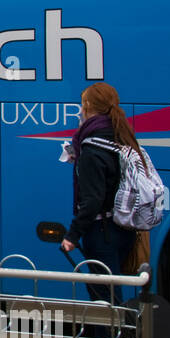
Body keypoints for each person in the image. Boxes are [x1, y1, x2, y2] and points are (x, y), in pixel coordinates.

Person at [60, 82, 143, 305]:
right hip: (123, 228)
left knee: (104, 303)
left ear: (87, 106)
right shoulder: (119, 136)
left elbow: (92, 199)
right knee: (112, 294)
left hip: (101, 232)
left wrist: (72, 235)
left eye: (81, 106)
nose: (79, 111)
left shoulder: (92, 149)